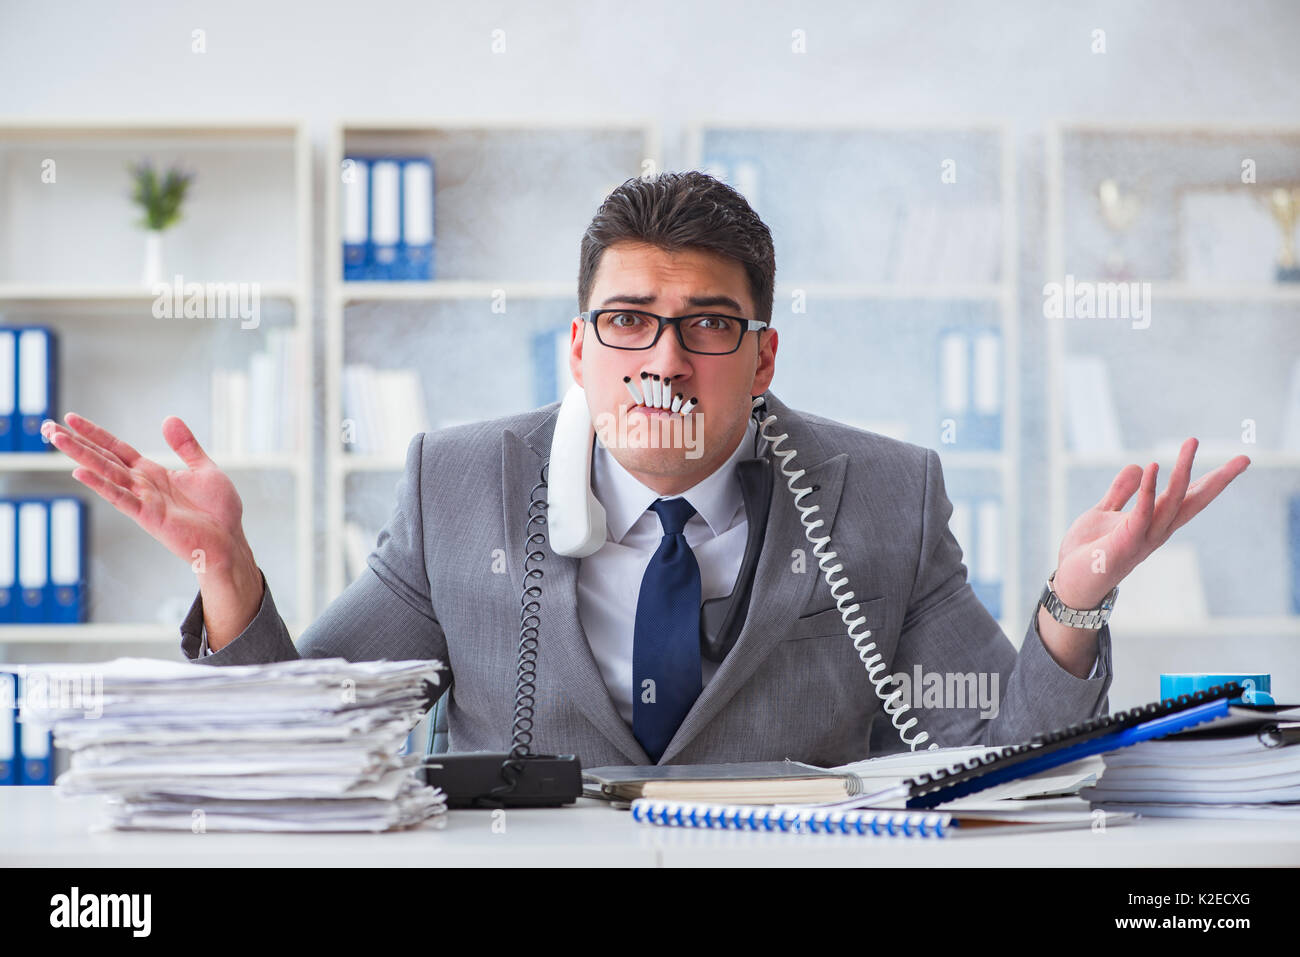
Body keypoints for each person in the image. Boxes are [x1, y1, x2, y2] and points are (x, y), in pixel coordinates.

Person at [40, 171, 1250, 767]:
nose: (664, 359)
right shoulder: (456, 485)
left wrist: (1073, 604)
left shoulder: (884, 495)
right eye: (628, 320)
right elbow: (298, 744)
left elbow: (1010, 751)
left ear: (763, 353)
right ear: (577, 347)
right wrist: (228, 572)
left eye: (708, 323)